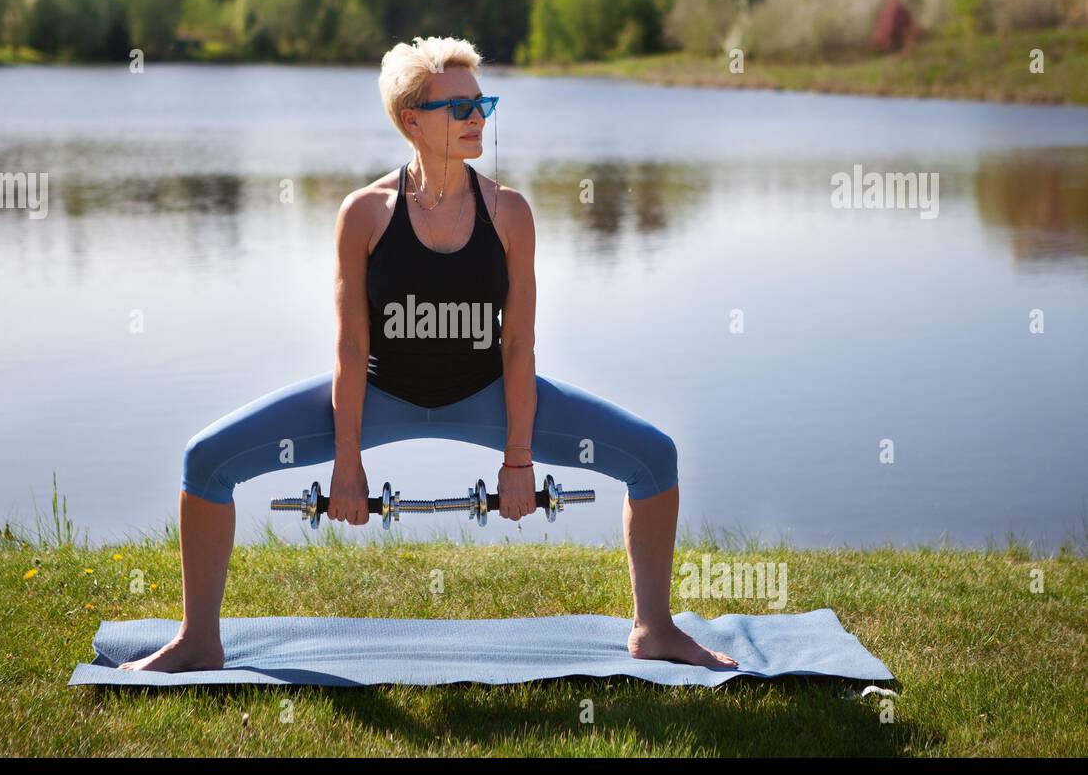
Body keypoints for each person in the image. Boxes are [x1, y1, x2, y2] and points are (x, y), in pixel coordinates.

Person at [121, 36, 737, 672]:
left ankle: (655, 630)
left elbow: (519, 344)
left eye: (483, 105)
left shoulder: (509, 213)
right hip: (380, 394)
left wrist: (519, 458)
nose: (478, 120)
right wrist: (346, 461)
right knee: (206, 461)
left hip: (488, 396)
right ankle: (199, 640)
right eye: (460, 108)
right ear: (411, 120)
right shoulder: (364, 214)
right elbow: (351, 345)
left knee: (654, 457)